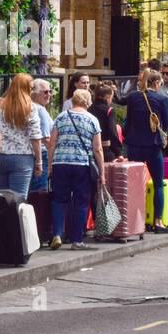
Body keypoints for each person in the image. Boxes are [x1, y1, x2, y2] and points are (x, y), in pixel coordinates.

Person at [47, 88, 105, 250]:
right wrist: (102, 172)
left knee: (59, 200)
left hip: (60, 163)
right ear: (87, 102)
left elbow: (52, 143)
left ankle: (57, 234)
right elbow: (98, 149)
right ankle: (76, 240)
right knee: (81, 202)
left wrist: (49, 165)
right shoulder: (92, 120)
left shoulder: (60, 117)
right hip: (81, 165)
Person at [118, 67, 168, 232]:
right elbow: (166, 124)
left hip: (134, 145)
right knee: (158, 184)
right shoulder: (161, 100)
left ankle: (135, 221)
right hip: (153, 146)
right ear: (156, 83)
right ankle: (157, 222)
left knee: (135, 185)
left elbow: (129, 122)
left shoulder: (133, 98)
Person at [0, 73, 42, 198]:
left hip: (0, 155)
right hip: (22, 157)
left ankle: (1, 219)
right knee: (19, 200)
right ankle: (16, 218)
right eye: (30, 89)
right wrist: (39, 162)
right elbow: (35, 137)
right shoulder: (30, 107)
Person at [29, 78, 55, 194]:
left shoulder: (32, 106)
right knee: (39, 192)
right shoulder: (39, 109)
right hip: (43, 155)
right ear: (35, 93)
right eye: (45, 92)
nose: (49, 94)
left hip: (34, 154)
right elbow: (46, 139)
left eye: (50, 91)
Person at [89, 82, 123, 161]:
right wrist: (118, 152)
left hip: (90, 149)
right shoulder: (109, 110)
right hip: (106, 150)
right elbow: (112, 132)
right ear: (107, 97)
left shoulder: (89, 109)